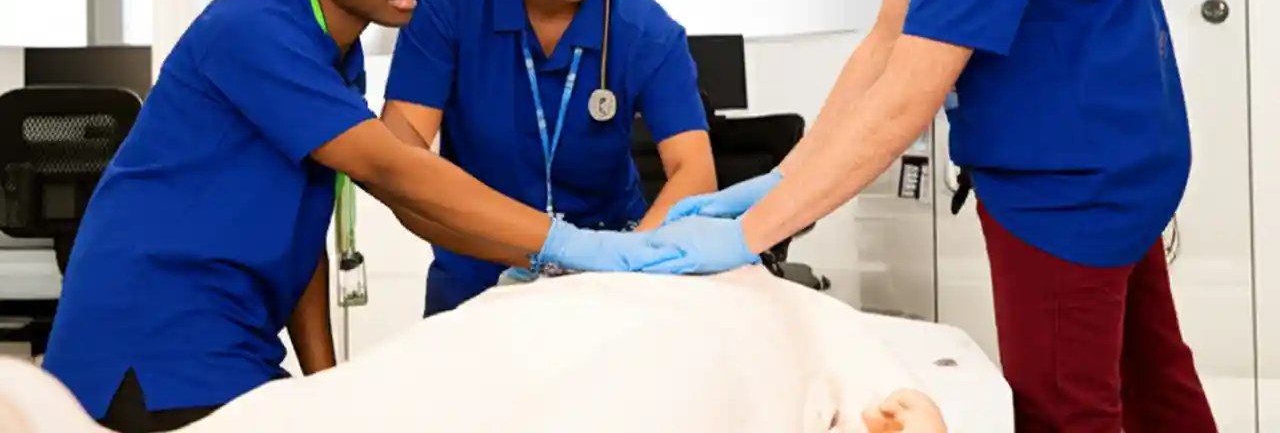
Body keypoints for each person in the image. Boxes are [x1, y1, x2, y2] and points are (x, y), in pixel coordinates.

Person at [645, 0, 1218, 433]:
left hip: (1070, 184)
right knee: (1154, 387)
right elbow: (887, 42)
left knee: (1064, 410)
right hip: (1112, 150)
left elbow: (904, 101)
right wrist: (783, 179)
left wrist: (748, 236)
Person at [39, 0, 686, 433]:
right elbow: (393, 169)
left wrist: (330, 385)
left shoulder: (333, 54)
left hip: (227, 340)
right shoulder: (253, 31)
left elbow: (297, 238)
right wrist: (571, 246)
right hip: (153, 338)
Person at [4, 266, 976, 433]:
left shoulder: (768, 294)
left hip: (687, 356)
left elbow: (893, 390)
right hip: (525, 327)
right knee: (372, 403)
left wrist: (904, 403)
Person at [382, 0, 716, 315]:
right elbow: (400, 149)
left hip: (606, 281)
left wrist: (626, 262)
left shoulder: (645, 30)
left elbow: (694, 170)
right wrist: (492, 233)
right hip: (477, 278)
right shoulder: (449, 6)